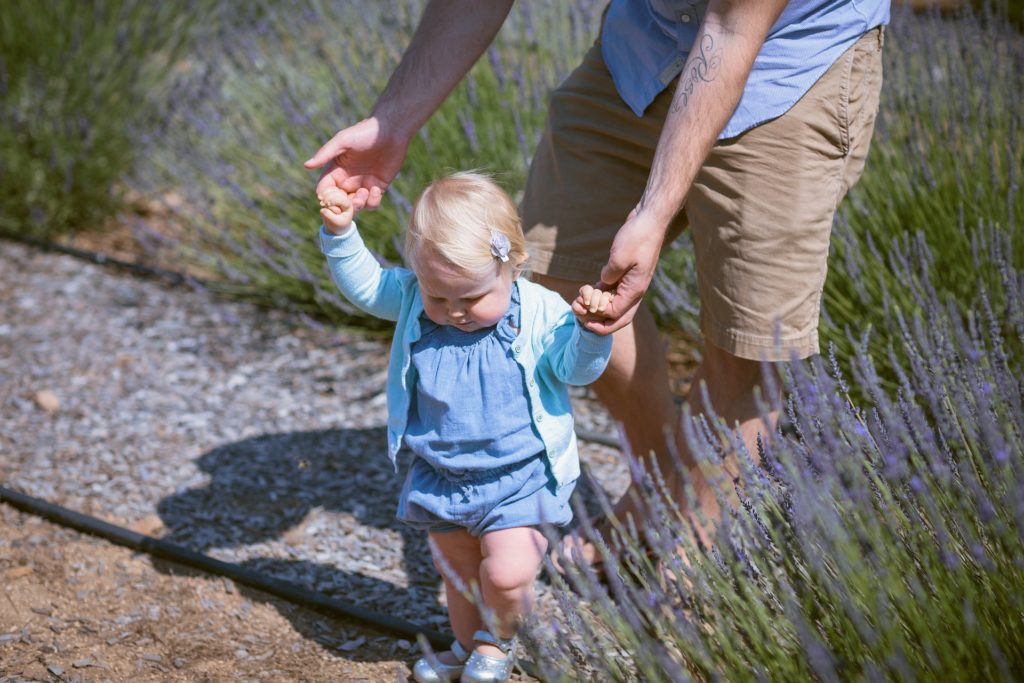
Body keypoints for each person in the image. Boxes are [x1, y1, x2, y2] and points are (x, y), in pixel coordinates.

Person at [306, 0, 888, 569]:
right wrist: (394, 120)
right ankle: (661, 485)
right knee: (562, 274)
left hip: (785, 69)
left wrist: (653, 214)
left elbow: (733, 29)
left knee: (745, 342)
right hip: (645, 50)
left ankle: (690, 561)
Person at [316, 172, 613, 682]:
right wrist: (341, 234)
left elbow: (575, 371)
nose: (455, 312)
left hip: (520, 477)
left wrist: (591, 334)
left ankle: (497, 644)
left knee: (507, 571)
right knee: (458, 578)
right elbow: (366, 286)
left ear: (513, 265)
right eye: (439, 296)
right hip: (441, 474)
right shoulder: (413, 300)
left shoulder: (539, 313)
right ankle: (465, 645)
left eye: (471, 298)